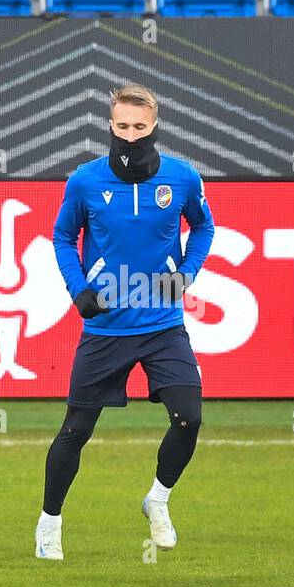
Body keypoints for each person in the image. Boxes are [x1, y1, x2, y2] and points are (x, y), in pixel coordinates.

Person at [35, 83, 214, 561]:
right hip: (105, 329)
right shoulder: (86, 181)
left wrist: (187, 273)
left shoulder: (181, 178)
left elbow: (203, 227)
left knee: (189, 417)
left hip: (162, 325)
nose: (130, 135)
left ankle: (157, 499)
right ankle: (49, 522)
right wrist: (79, 289)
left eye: (139, 127)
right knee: (76, 430)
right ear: (109, 126)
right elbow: (61, 235)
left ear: (154, 126)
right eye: (122, 126)